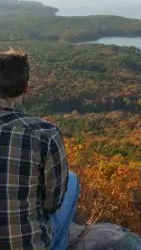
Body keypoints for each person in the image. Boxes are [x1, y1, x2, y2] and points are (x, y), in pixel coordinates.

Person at [0, 49, 80, 250]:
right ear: (25, 87)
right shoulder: (45, 133)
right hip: (24, 244)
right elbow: (52, 204)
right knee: (72, 180)